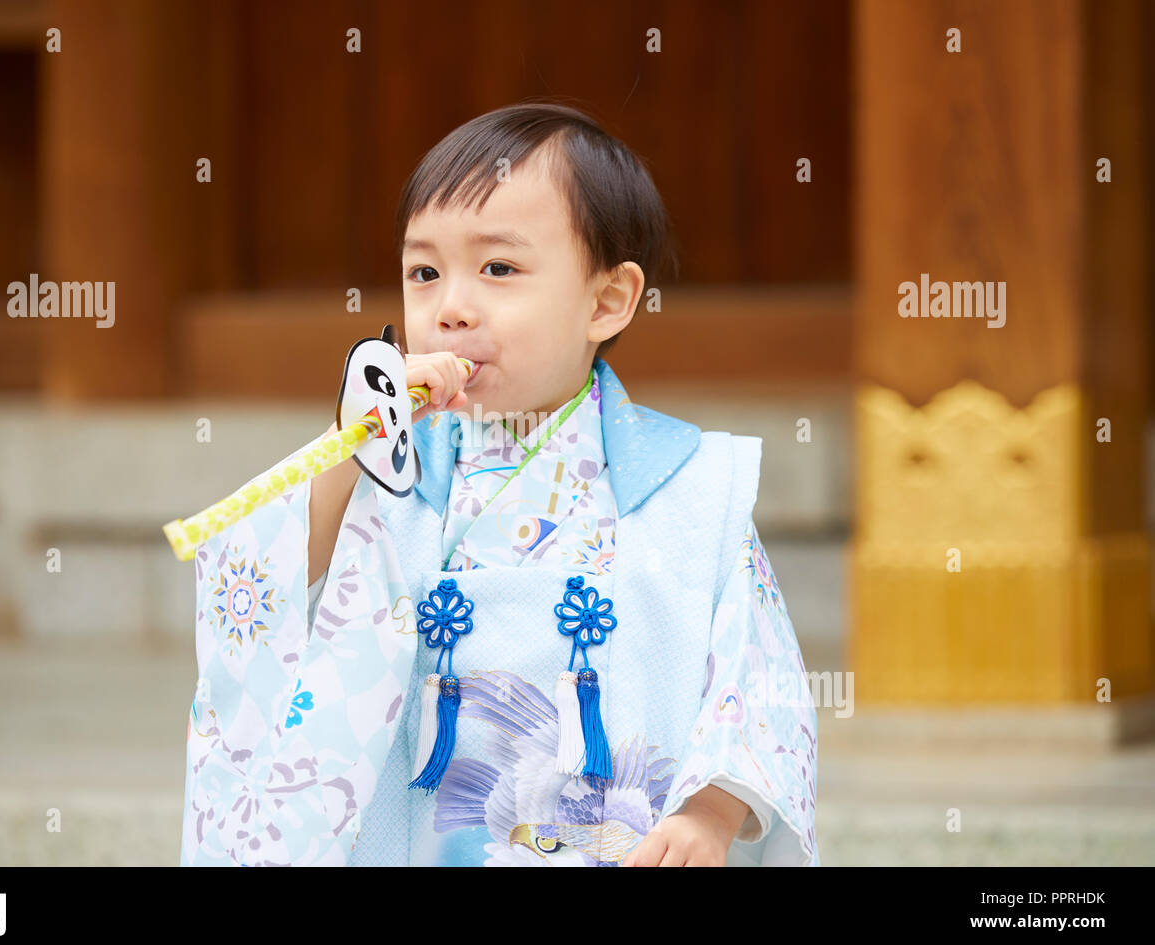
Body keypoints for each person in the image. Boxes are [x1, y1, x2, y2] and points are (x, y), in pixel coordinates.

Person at [181, 101, 818, 867]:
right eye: (425, 273)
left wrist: (708, 814)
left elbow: (756, 673)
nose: (451, 309)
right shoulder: (389, 465)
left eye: (499, 269)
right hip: (421, 833)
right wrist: (350, 447)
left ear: (607, 301)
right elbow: (269, 577)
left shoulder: (690, 486)